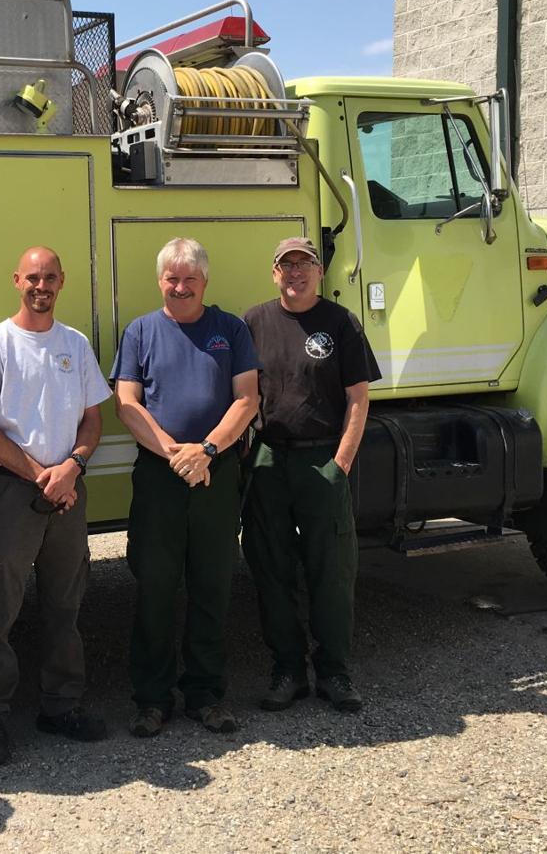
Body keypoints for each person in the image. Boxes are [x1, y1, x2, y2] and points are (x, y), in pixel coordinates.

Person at [0, 247, 111, 767]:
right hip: (12, 491)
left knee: (66, 603)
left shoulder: (76, 344)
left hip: (67, 490)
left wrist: (73, 468)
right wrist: (41, 475)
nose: (41, 286)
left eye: (50, 277)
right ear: (15, 279)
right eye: (32, 277)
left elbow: (93, 419)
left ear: (62, 282)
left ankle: (60, 705)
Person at [111, 238, 260, 738]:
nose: (180, 287)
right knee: (154, 587)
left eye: (189, 279)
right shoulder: (140, 331)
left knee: (212, 587)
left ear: (204, 281)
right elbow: (127, 403)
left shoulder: (230, 329)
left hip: (215, 474)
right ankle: (152, 699)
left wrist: (207, 451)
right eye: (171, 279)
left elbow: (246, 399)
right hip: (161, 476)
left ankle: (206, 695)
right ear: (160, 281)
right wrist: (175, 452)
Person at [242, 236, 380, 714]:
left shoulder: (339, 322)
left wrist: (341, 462)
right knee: (271, 569)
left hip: (322, 457)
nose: (295, 273)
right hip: (268, 460)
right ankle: (287, 671)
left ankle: (335, 673)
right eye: (286, 265)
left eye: (305, 264)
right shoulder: (254, 322)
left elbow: (358, 399)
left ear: (320, 272)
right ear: (274, 272)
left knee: (332, 571)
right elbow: (240, 395)